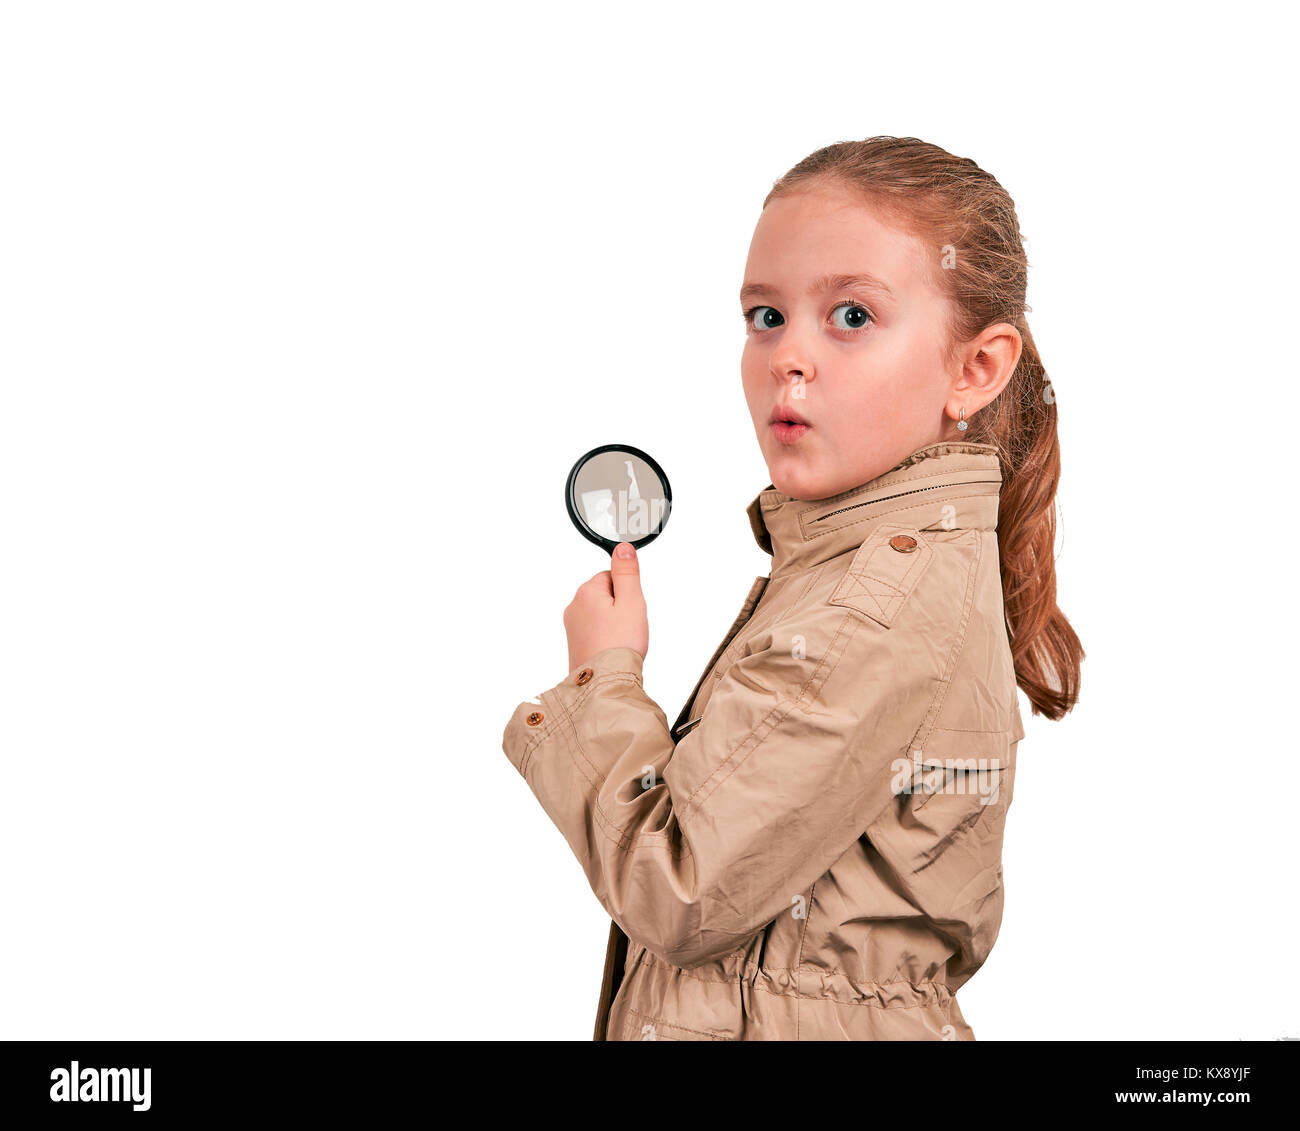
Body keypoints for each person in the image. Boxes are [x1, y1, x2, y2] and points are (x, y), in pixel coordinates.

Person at [501, 136, 1084, 1040]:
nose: (788, 357)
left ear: (975, 369)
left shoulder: (872, 605)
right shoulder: (857, 573)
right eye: (765, 316)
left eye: (851, 316)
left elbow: (679, 884)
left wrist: (601, 683)